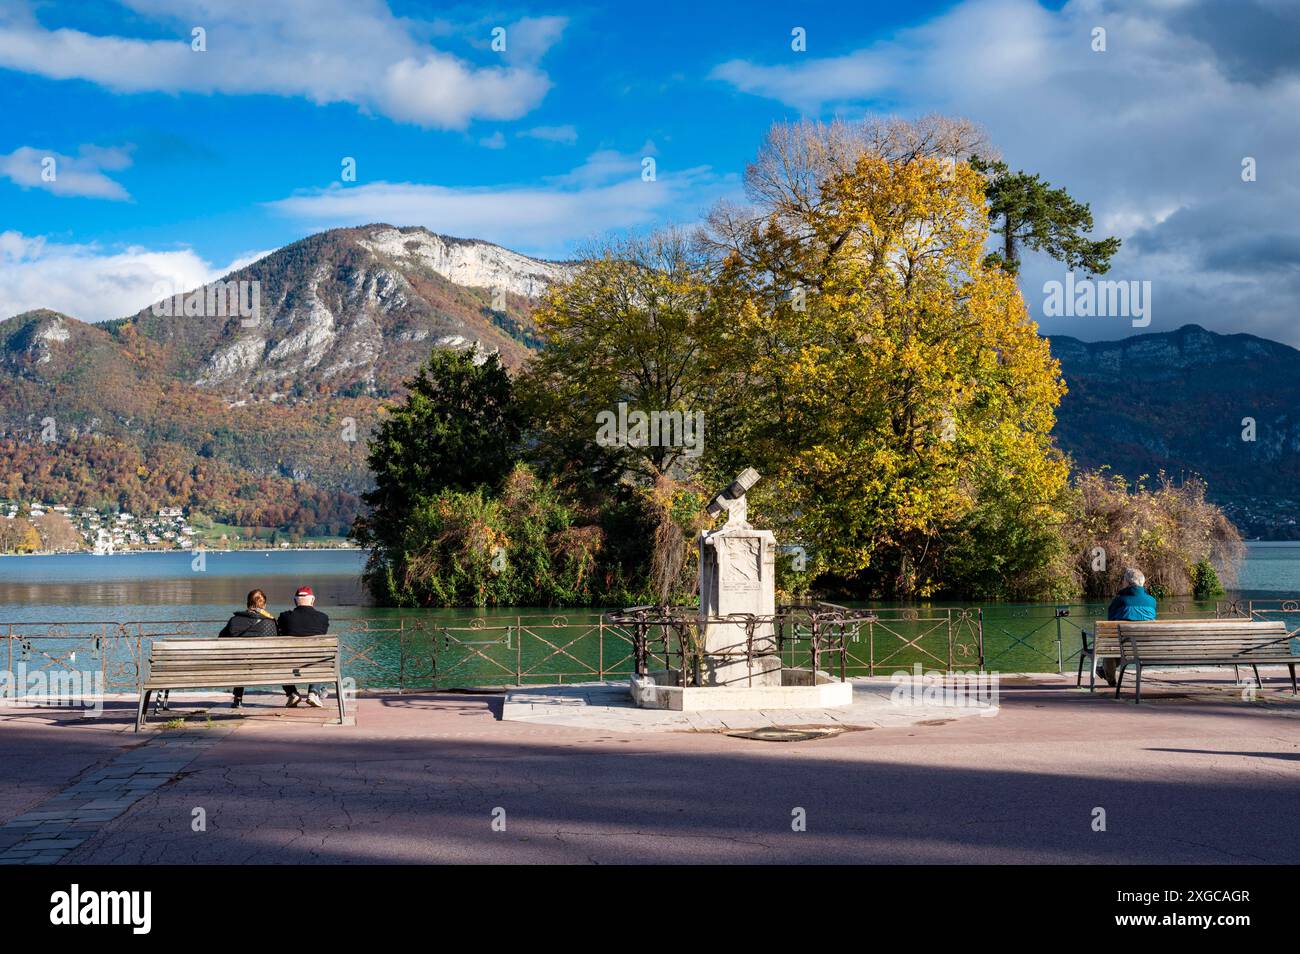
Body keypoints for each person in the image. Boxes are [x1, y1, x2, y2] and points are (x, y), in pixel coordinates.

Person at [218, 588, 277, 709]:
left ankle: (238, 699)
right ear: (264, 605)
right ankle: (291, 693)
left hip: (240, 664)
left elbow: (221, 639)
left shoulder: (234, 620)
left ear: (247, 603)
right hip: (266, 665)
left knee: (241, 659)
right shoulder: (271, 623)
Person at [1098, 567, 1158, 684]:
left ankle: (1109, 677)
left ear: (1127, 582)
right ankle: (1104, 671)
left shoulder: (1119, 601)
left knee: (1111, 648)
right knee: (1122, 645)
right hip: (1144, 648)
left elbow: (1110, 622)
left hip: (1121, 647)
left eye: (1123, 580)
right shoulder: (1152, 601)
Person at [278, 585, 330, 708]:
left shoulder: (284, 617)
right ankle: (313, 692)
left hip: (290, 662)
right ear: (313, 600)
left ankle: (292, 693)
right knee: (319, 656)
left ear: (295, 601)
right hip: (313, 662)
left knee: (278, 661)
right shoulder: (323, 618)